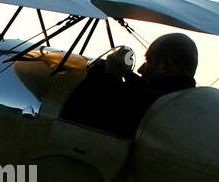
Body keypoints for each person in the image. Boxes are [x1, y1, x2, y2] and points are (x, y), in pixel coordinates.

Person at [62, 32, 198, 136]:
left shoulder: (145, 103)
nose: (140, 69)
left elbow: (74, 113)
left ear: (164, 65)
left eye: (148, 61)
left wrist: (105, 75)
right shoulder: (185, 102)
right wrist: (128, 75)